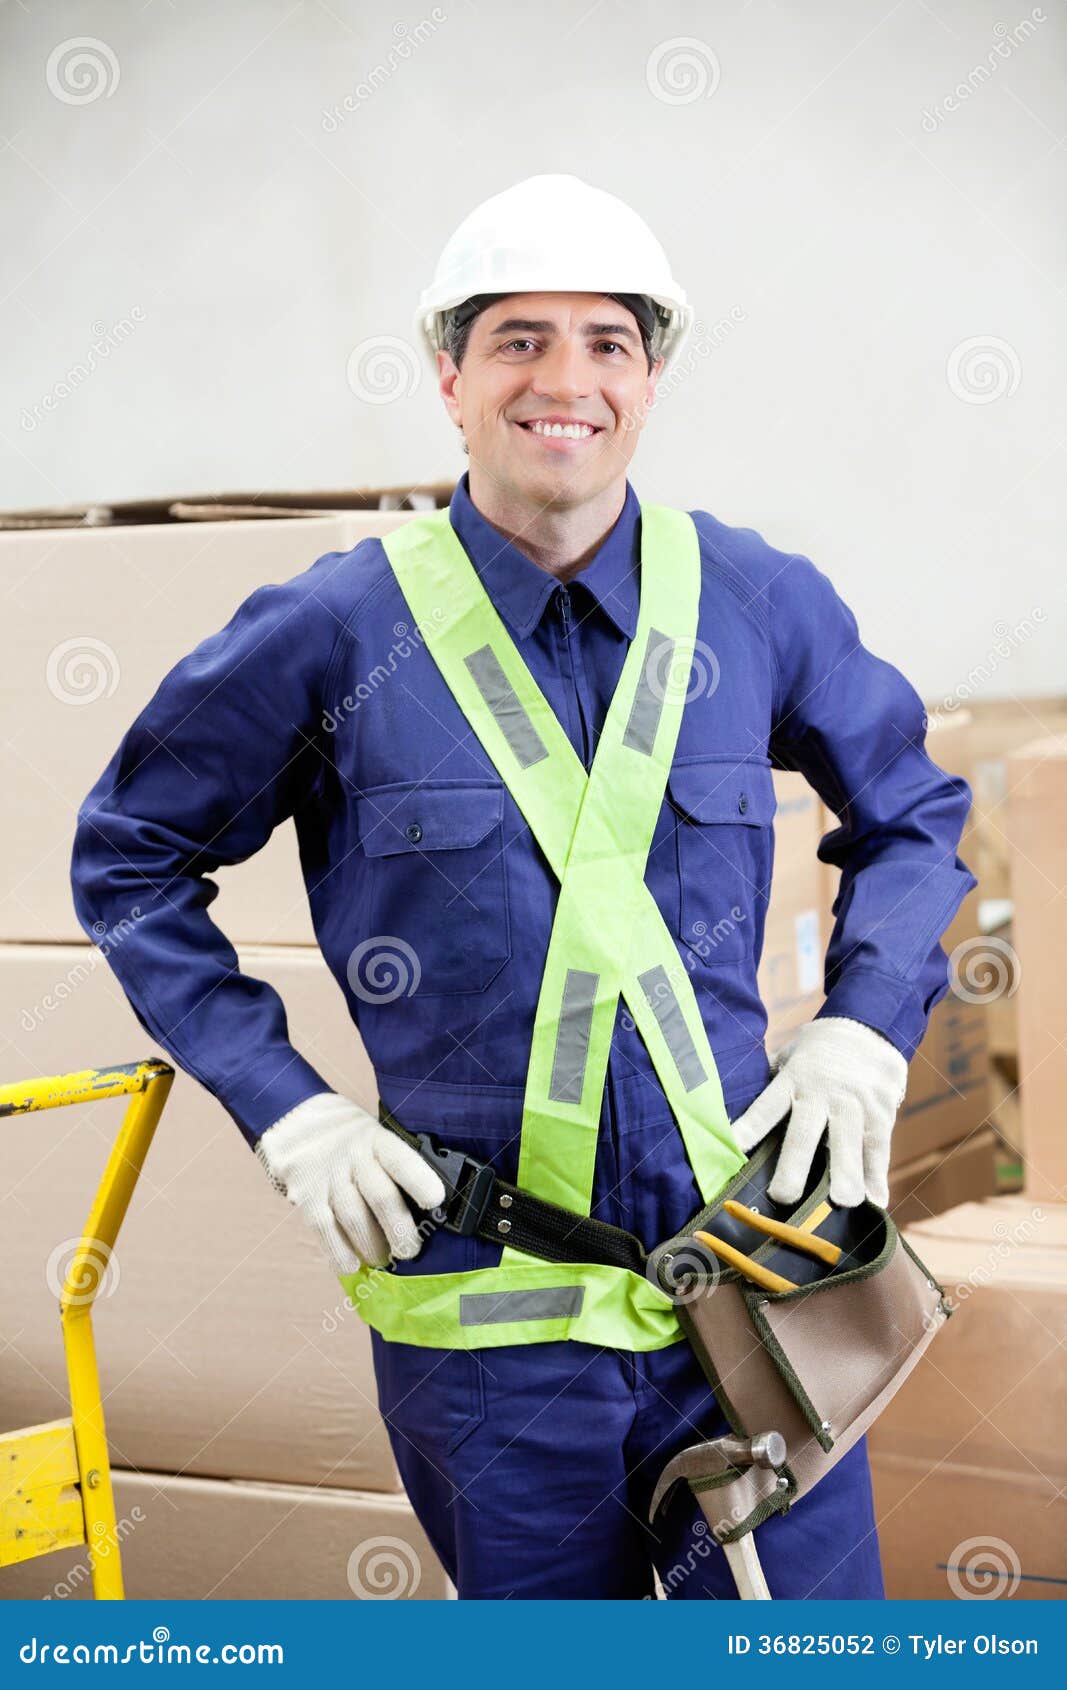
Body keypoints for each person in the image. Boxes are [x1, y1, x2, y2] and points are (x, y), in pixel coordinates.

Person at [71, 173, 976, 1600]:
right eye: (519, 340)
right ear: (449, 375)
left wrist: (868, 1020)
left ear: (653, 375)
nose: (567, 381)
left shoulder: (753, 599)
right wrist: (286, 1106)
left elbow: (916, 814)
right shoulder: (333, 629)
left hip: (754, 1297)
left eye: (608, 341)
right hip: (495, 1356)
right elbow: (128, 856)